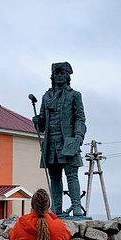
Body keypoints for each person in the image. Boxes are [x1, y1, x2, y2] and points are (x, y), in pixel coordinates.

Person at [34, 61, 86, 217]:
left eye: (62, 73)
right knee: (55, 176)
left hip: (68, 141)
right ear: (53, 76)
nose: (59, 76)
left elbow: (80, 118)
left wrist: (78, 137)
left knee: (72, 175)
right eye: (57, 74)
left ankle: (76, 206)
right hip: (51, 142)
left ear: (68, 76)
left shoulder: (74, 95)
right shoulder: (46, 97)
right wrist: (37, 121)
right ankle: (57, 209)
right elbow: (42, 125)